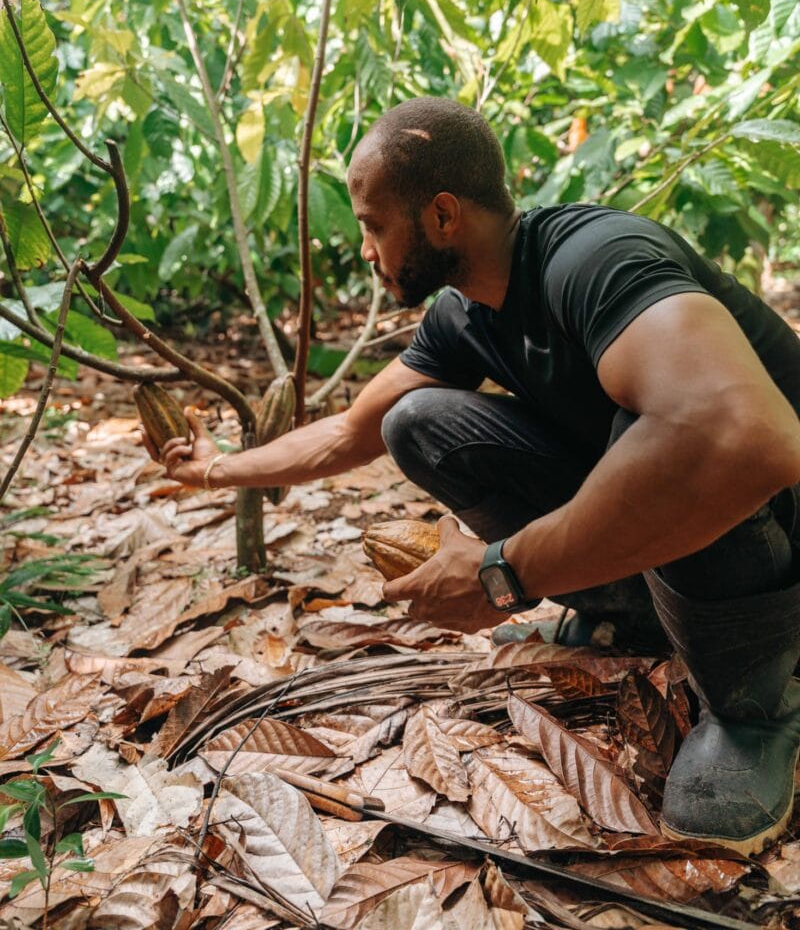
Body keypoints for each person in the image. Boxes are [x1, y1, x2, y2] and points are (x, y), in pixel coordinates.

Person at [148, 97, 800, 856]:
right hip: (696, 534)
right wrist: (214, 472)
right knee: (415, 423)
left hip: (780, 528)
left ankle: (756, 702)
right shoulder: (463, 313)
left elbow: (735, 436)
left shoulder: (593, 259)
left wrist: (504, 575)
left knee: (656, 424)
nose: (364, 248)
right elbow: (350, 433)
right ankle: (641, 614)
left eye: (372, 223)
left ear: (444, 215)